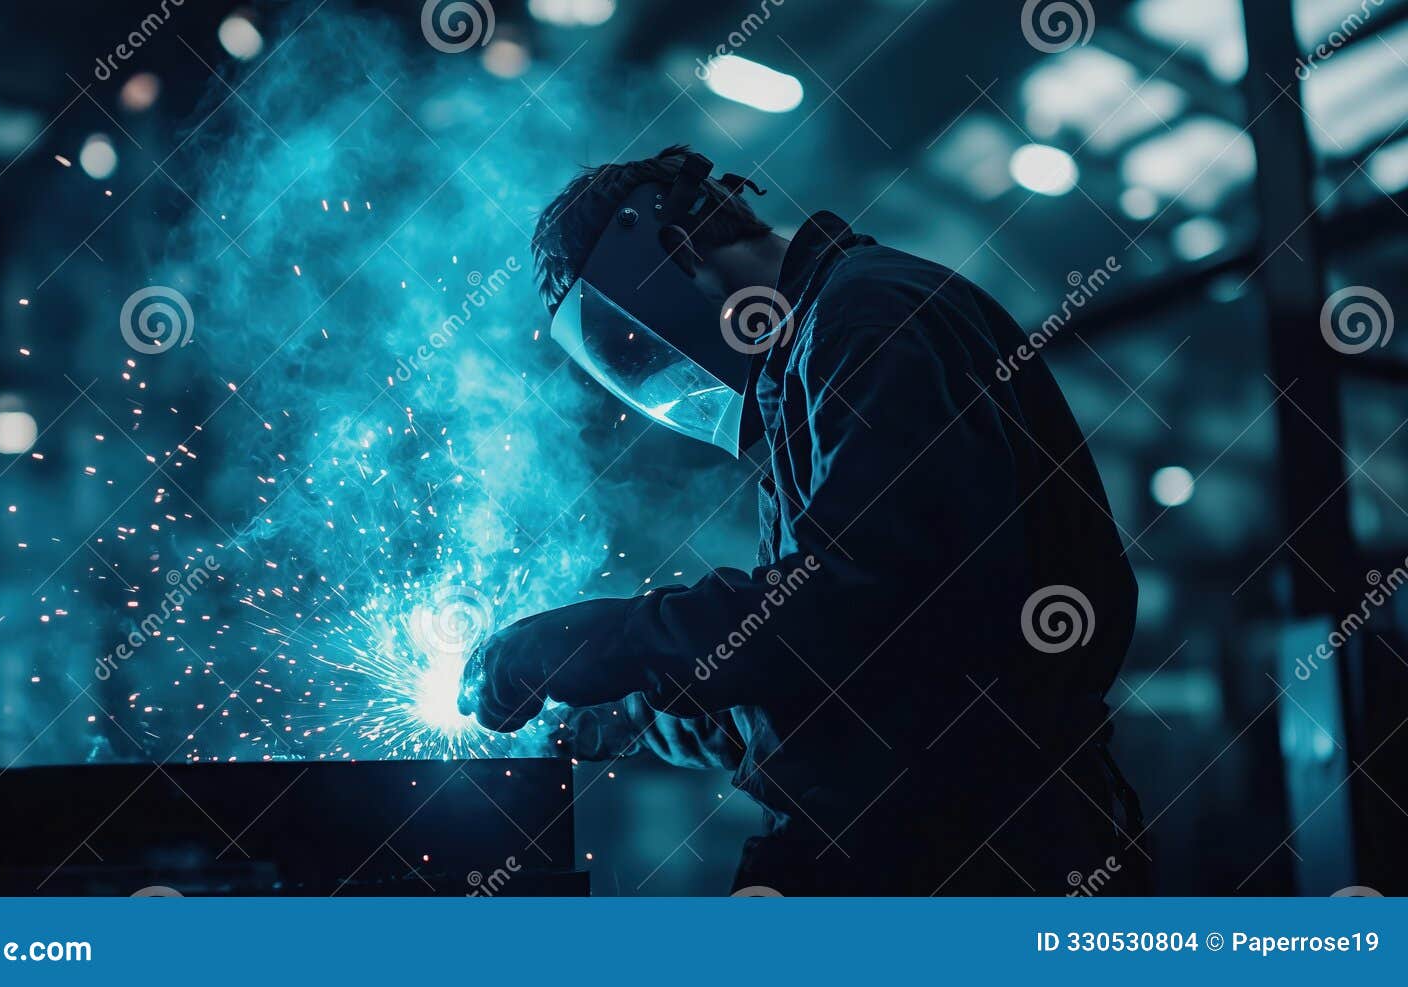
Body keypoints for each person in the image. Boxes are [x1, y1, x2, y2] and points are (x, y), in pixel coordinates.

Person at [459, 146, 1148, 895]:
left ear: (679, 249)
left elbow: (857, 603)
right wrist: (634, 712)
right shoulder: (808, 358)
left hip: (967, 853)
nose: (654, 370)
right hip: (904, 839)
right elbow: (813, 668)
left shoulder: (871, 317)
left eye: (633, 343)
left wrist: (600, 639)